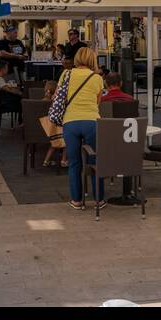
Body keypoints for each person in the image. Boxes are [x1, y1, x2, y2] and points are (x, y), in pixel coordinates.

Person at [51, 47, 105, 209]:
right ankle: (98, 200)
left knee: (74, 163)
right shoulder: (97, 78)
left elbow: (57, 96)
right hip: (92, 122)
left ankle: (77, 200)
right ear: (92, 59)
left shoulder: (66, 74)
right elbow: (97, 103)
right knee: (95, 161)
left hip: (70, 122)